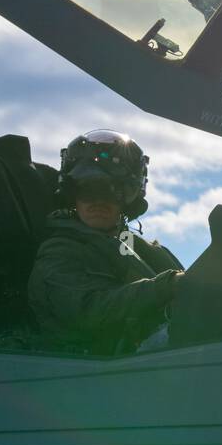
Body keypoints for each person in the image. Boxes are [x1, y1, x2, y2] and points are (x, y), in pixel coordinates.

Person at [27, 129, 184, 354]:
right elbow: (87, 311)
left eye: (111, 191)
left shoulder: (135, 246)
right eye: (88, 190)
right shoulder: (59, 250)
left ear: (128, 198)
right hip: (87, 373)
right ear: (73, 194)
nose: (99, 201)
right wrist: (167, 286)